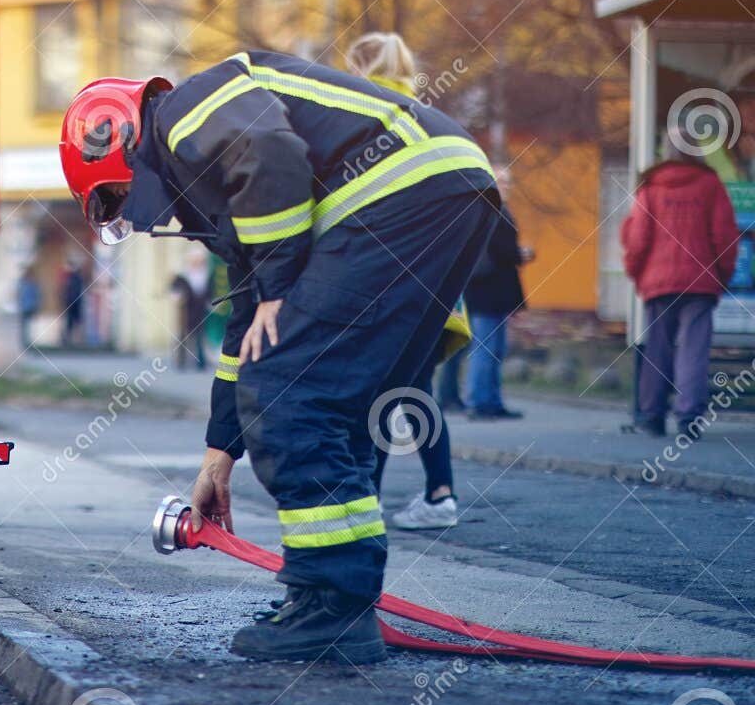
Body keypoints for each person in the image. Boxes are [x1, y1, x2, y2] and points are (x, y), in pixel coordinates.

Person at [59, 50, 498, 663]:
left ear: (116, 140)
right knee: (341, 405)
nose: (127, 212)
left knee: (291, 393)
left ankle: (331, 605)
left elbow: (269, 150)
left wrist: (279, 281)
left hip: (400, 191)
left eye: (111, 199)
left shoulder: (186, 112)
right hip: (443, 186)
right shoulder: (213, 178)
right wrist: (219, 452)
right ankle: (338, 600)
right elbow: (248, 328)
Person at [345, 33, 464, 529]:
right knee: (414, 390)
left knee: (377, 392)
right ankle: (439, 495)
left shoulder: (363, 118)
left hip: (386, 283)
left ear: (359, 68)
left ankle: (369, 500)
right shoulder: (426, 117)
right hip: (437, 284)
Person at [621, 126, 740, 437]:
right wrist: (722, 275)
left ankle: (652, 416)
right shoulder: (710, 184)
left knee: (657, 349)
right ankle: (689, 417)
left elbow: (637, 239)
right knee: (693, 349)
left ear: (666, 149)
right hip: (700, 283)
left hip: (658, 283)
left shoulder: (651, 187)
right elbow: (724, 237)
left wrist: (637, 273)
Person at [463, 173, 532, 420]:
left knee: (495, 349)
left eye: (508, 182)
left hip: (492, 292)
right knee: (485, 348)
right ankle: (478, 402)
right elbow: (499, 250)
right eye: (501, 181)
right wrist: (519, 254)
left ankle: (491, 401)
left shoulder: (493, 210)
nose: (506, 186)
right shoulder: (488, 212)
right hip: (485, 292)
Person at [60, 262, 87, 346]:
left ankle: (73, 339)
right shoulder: (75, 278)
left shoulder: (73, 278)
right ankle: (73, 339)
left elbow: (71, 291)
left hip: (72, 303)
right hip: (73, 303)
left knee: (72, 322)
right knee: (73, 322)